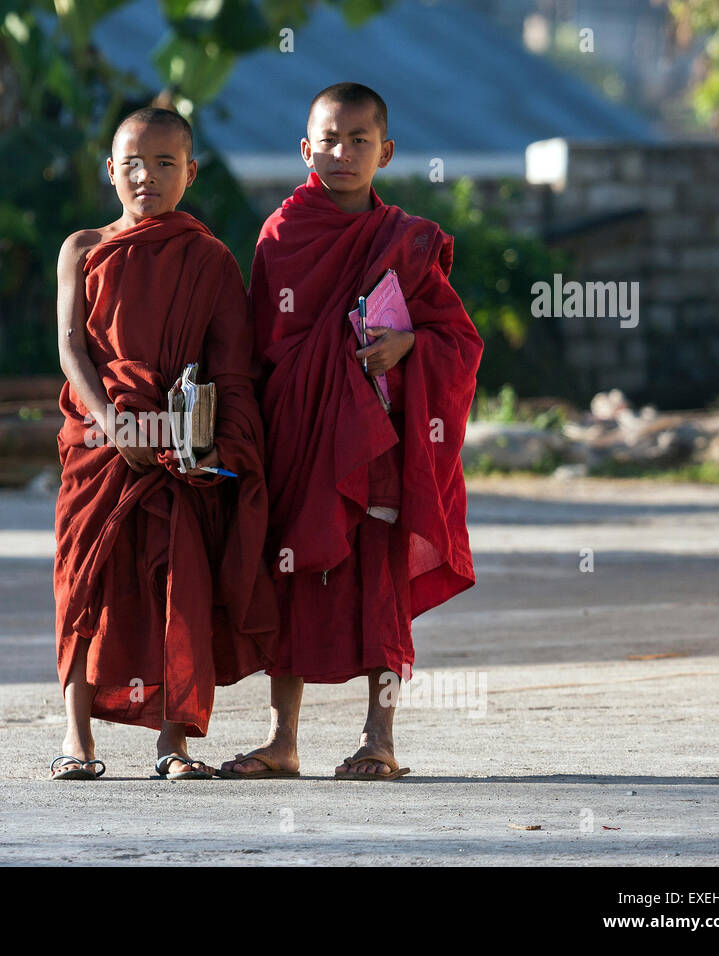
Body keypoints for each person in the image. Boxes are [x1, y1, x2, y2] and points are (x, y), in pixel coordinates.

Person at [218, 83, 483, 781]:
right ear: (305, 150)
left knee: (379, 585)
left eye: (359, 140)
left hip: (375, 444)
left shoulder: (406, 241)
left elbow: (458, 339)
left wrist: (410, 347)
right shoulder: (282, 233)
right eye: (328, 140)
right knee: (291, 578)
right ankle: (282, 740)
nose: (342, 153)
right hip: (299, 437)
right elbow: (261, 345)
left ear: (385, 152)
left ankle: (380, 737)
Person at [51, 107, 277, 782]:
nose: (147, 177)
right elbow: (70, 348)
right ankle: (77, 739)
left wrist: (216, 449)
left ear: (191, 172)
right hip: (98, 442)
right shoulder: (83, 246)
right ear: (110, 170)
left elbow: (231, 367)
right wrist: (112, 424)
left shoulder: (208, 258)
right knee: (84, 585)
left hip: (176, 448)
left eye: (165, 163)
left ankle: (172, 742)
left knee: (180, 586)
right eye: (133, 163)